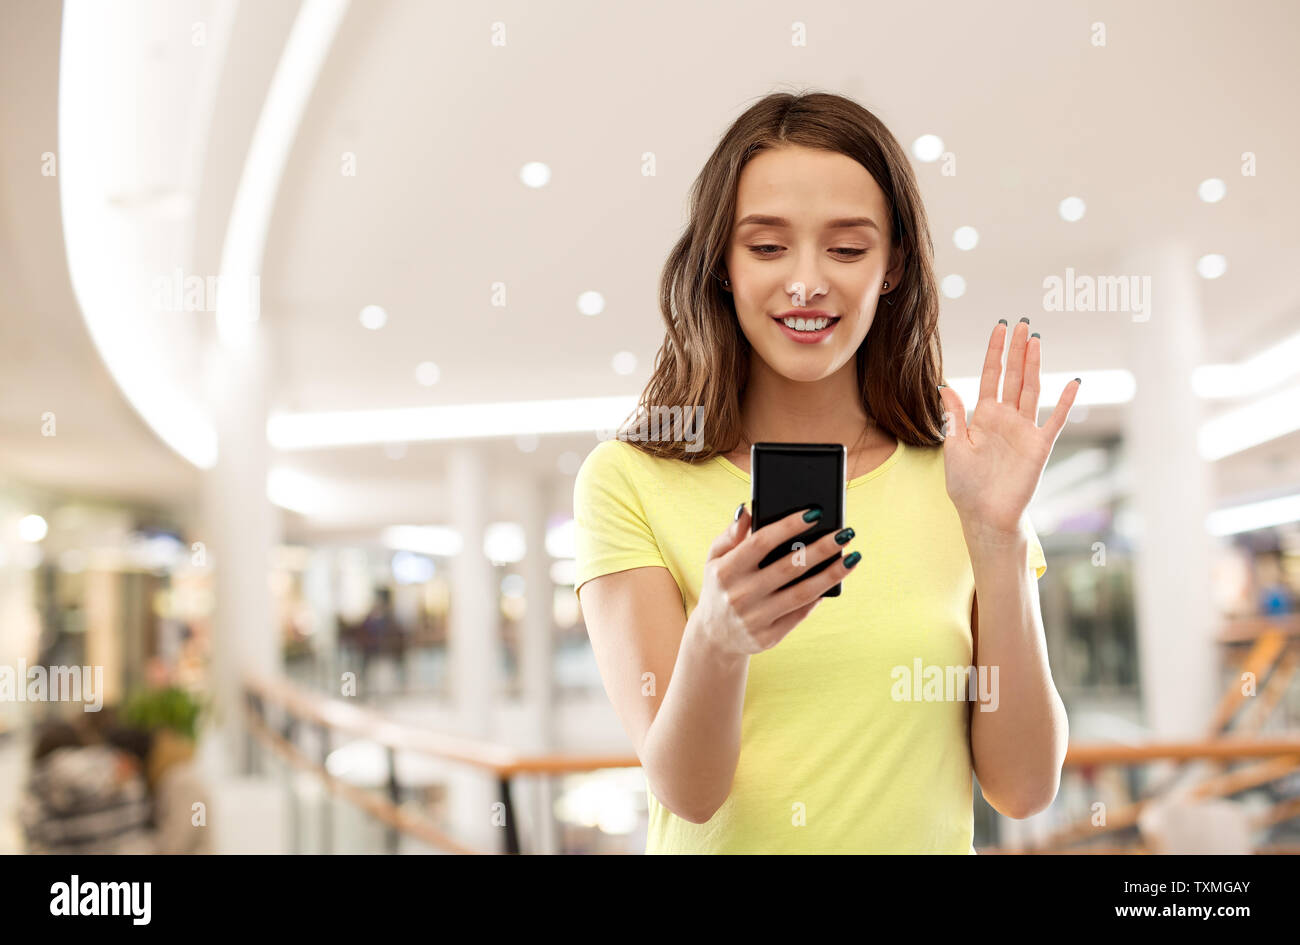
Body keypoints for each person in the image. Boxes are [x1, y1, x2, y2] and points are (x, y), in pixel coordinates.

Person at [572, 91, 1078, 854]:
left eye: (846, 249)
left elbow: (1024, 787)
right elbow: (689, 791)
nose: (807, 283)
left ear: (893, 266)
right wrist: (717, 637)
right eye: (768, 247)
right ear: (720, 264)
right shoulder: (627, 481)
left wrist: (996, 538)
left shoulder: (965, 479)